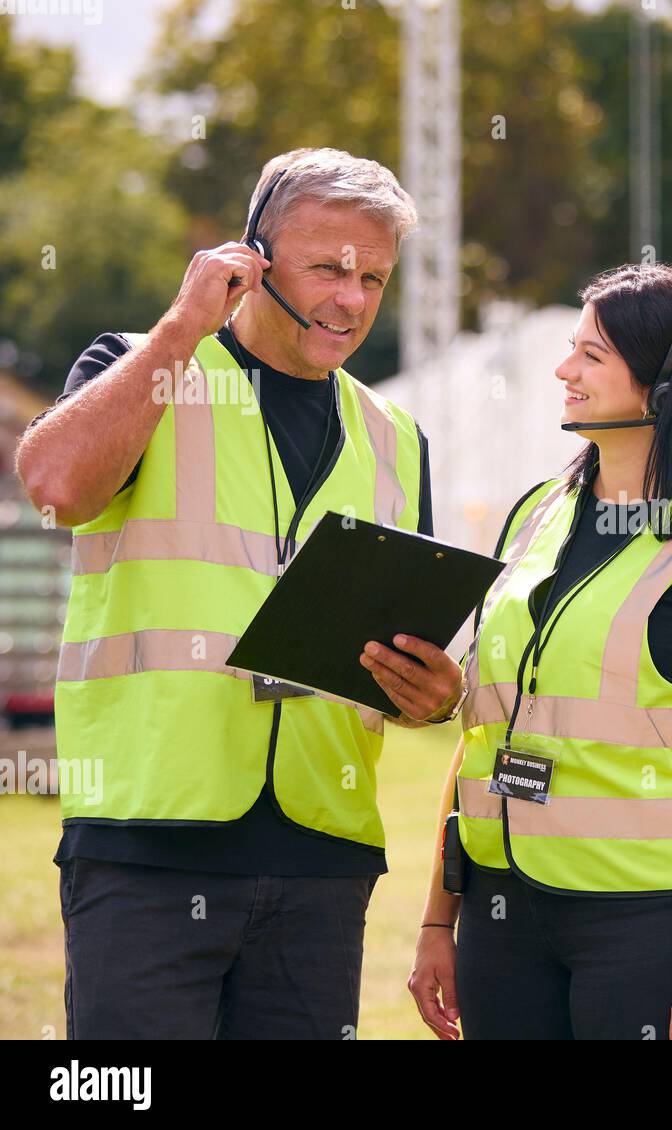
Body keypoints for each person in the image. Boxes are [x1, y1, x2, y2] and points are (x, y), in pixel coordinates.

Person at [16, 148, 466, 1039]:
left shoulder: (396, 437)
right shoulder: (142, 366)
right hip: (148, 839)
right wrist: (181, 328)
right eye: (329, 269)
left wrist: (432, 693)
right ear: (251, 259)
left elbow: (402, 642)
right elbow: (55, 487)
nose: (352, 299)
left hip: (321, 858)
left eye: (373, 277)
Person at [407, 264, 672, 1040]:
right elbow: (484, 734)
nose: (565, 370)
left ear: (662, 380)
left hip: (650, 925)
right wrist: (438, 921)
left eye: (590, 355)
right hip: (502, 911)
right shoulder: (536, 514)